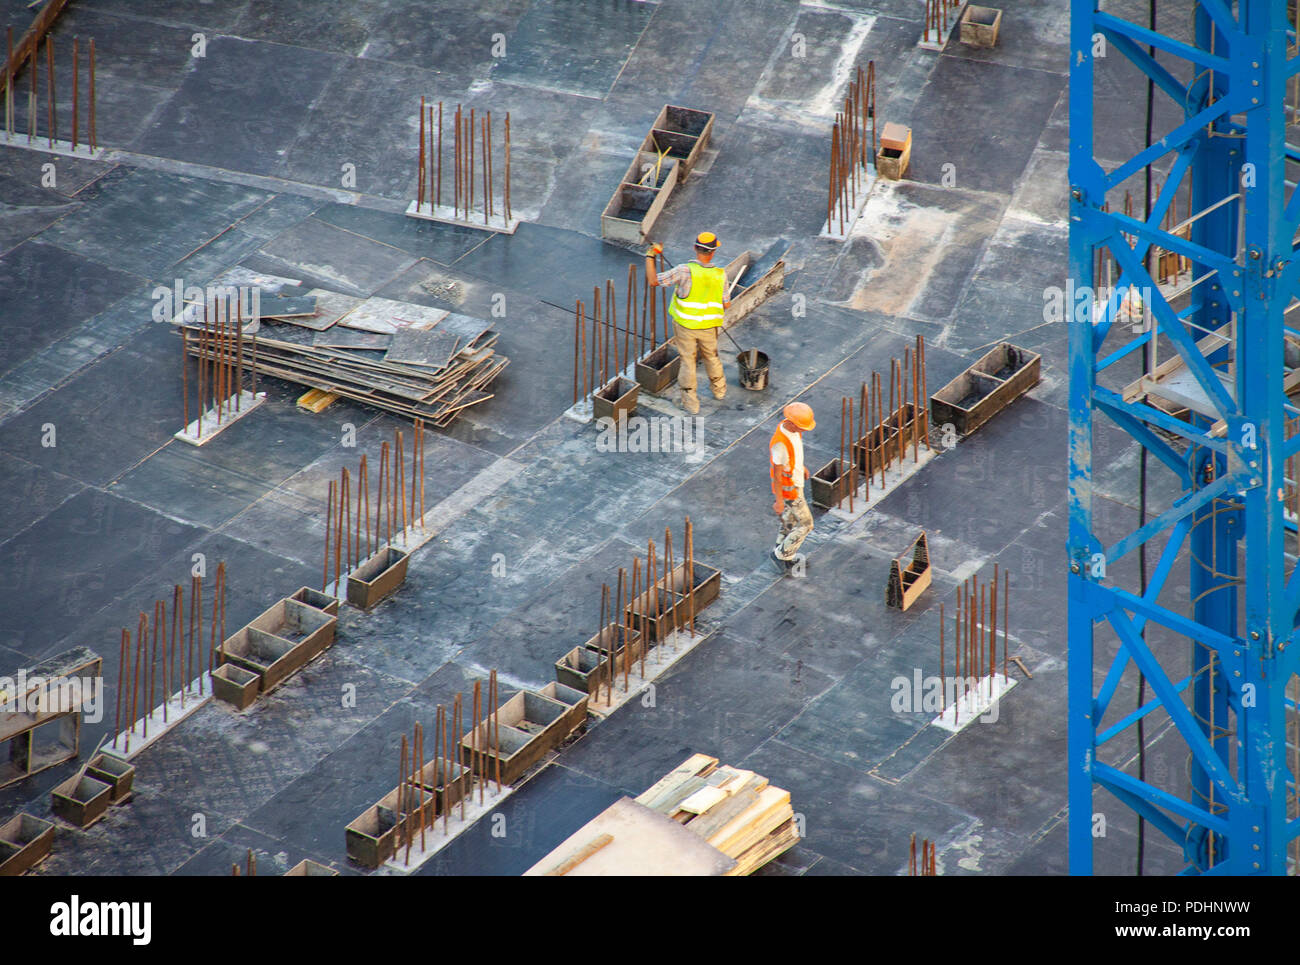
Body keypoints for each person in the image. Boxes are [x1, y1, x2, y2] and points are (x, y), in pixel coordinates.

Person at [645, 232, 731, 414]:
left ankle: (692, 404)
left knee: (688, 361)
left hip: (685, 326)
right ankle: (720, 391)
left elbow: (653, 281)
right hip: (709, 326)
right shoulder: (720, 275)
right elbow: (726, 304)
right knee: (712, 357)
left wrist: (650, 255)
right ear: (713, 252)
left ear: (694, 248)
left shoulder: (684, 271)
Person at [770, 402, 815, 572]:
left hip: (796, 483)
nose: (804, 430)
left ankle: (781, 549)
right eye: (802, 427)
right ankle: (781, 555)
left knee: (790, 520)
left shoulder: (791, 430)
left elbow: (794, 453)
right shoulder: (780, 443)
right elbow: (777, 474)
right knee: (806, 524)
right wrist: (779, 500)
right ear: (793, 423)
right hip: (790, 490)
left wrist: (800, 466)